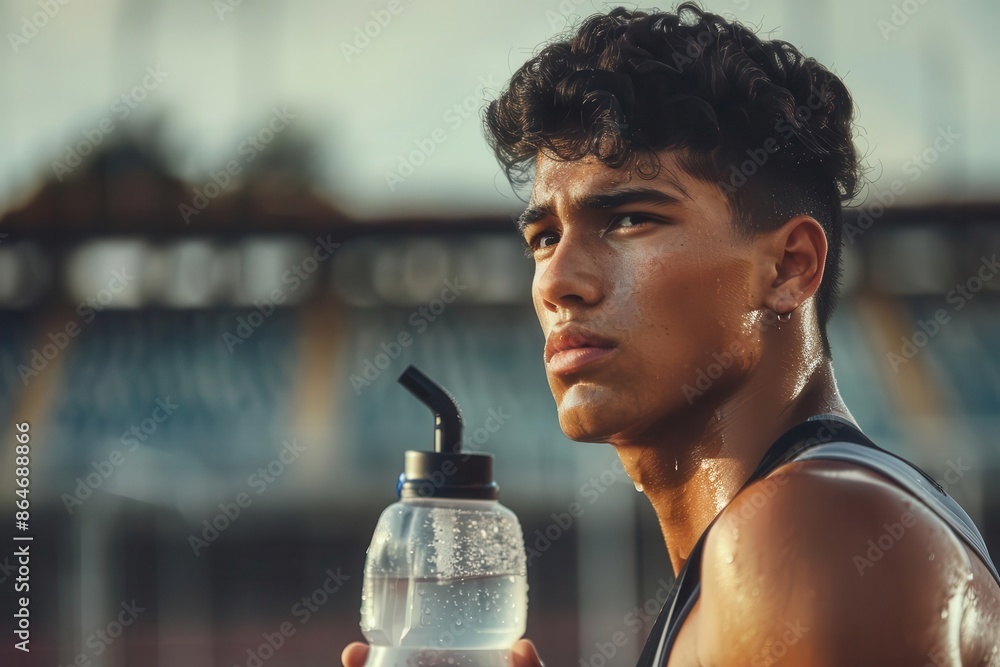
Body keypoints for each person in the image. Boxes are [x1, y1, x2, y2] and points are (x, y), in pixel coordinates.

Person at [345, 3, 1000, 665]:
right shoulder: (793, 531)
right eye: (543, 237)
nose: (557, 280)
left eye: (629, 219)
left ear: (789, 267)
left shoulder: (806, 530)